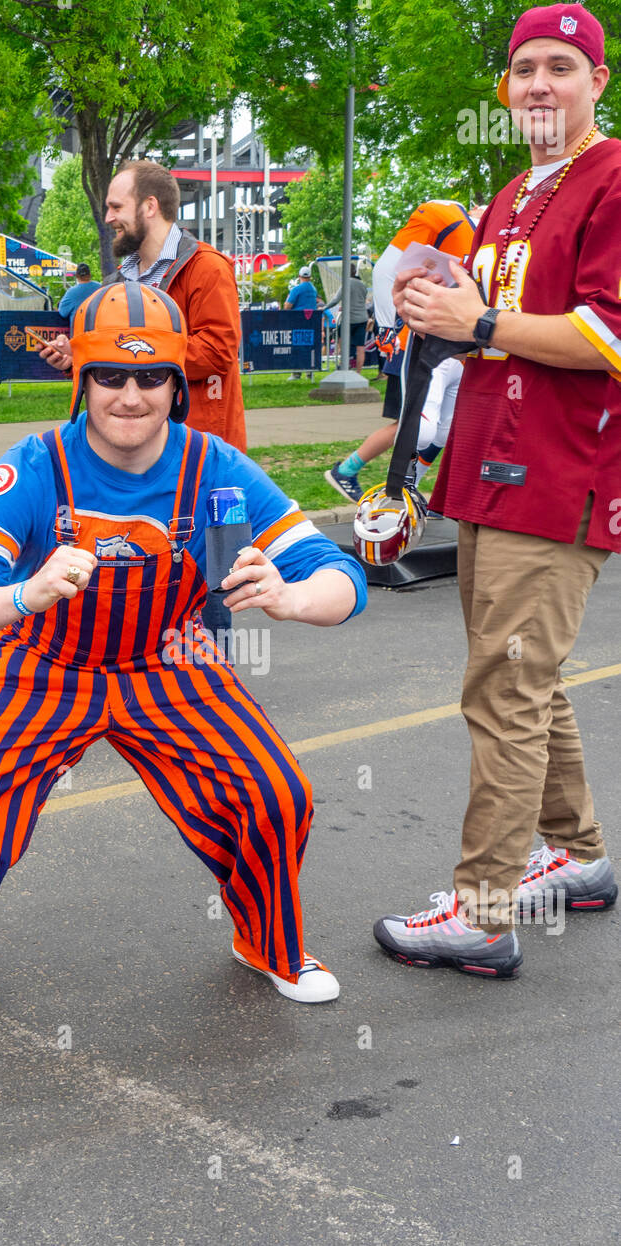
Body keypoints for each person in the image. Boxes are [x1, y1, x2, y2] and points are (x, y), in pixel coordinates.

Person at [0, 282, 367, 1018]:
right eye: (111, 376)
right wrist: (24, 594)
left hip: (167, 659)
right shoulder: (32, 465)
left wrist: (290, 597)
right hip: (40, 662)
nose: (131, 395)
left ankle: (267, 942)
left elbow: (344, 579)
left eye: (151, 375)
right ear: (82, 379)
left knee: (274, 796)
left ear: (176, 382)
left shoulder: (214, 465)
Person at [373, 2, 620, 978]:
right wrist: (436, 306)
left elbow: (607, 337)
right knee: (531, 680)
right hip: (490, 470)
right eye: (525, 71)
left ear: (598, 80)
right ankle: (578, 854)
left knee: (503, 690)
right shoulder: (516, 191)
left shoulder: (612, 180)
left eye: (562, 66)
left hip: (560, 475)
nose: (540, 86)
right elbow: (485, 328)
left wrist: (478, 323)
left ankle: (482, 908)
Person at [41, 160, 246, 453]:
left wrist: (125, 350)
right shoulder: (116, 282)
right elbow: (111, 366)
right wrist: (76, 354)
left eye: (116, 207)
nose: (109, 218)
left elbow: (216, 353)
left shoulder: (207, 268)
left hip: (195, 451)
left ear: (150, 206)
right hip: (129, 451)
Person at [324, 201, 479, 503]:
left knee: (443, 432)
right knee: (417, 429)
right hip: (421, 341)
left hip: (463, 348)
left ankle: (408, 494)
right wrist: (387, 328)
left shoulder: (508, 238)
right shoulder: (446, 214)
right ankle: (348, 470)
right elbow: (385, 269)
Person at [323, 258, 369, 372]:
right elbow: (361, 300)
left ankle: (344, 364)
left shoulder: (346, 284)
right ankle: (358, 372)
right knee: (360, 348)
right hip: (362, 318)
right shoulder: (362, 285)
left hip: (349, 319)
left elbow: (335, 300)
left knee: (340, 339)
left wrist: (323, 308)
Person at [284, 266, 318, 380]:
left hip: (297, 322)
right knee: (309, 347)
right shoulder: (313, 289)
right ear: (310, 277)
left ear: (299, 277)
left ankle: (296, 373)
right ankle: (310, 372)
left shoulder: (296, 289)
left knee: (297, 347)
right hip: (311, 322)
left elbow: (287, 306)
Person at [58, 263, 101, 327]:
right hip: (99, 330)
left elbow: (63, 313)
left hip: (80, 333)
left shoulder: (71, 293)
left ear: (77, 276)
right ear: (90, 275)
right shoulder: (101, 288)